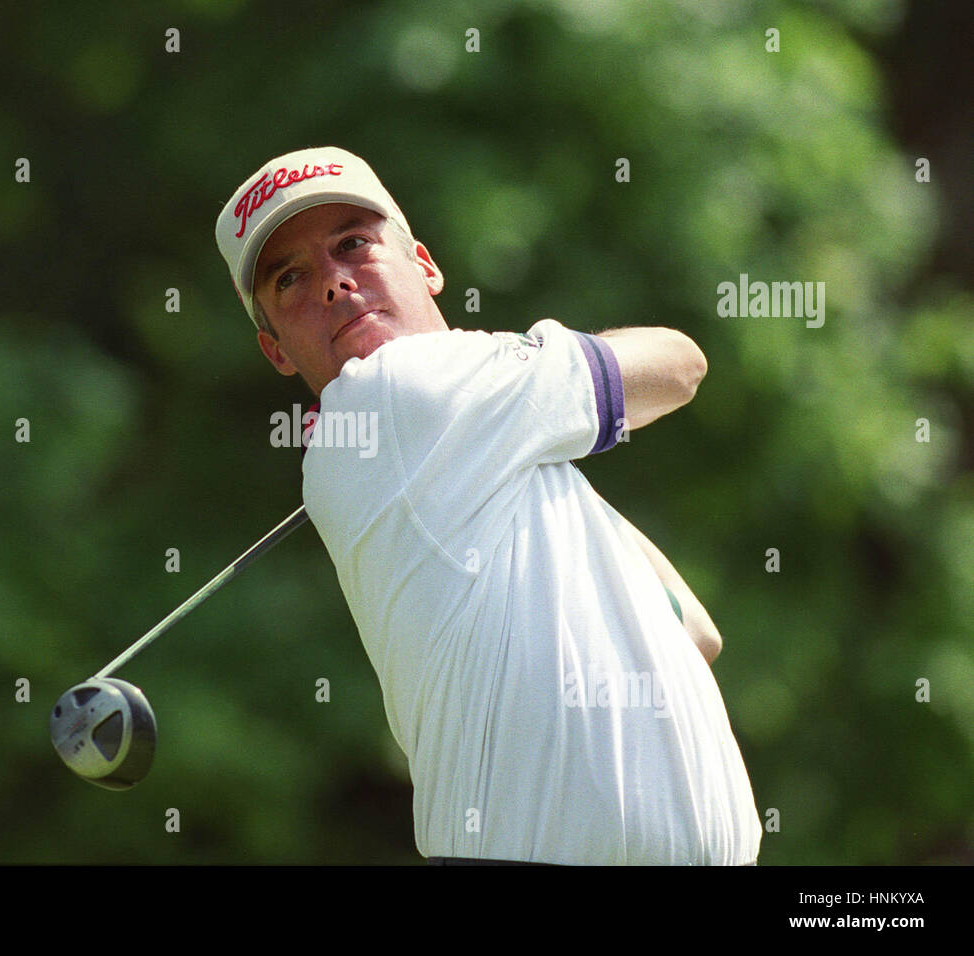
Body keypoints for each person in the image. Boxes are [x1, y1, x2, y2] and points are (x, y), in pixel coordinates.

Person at [215, 146, 761, 865]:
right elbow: (679, 362)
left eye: (353, 244)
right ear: (276, 350)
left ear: (425, 263)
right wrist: (533, 375)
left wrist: (538, 437)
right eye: (291, 278)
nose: (334, 284)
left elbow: (692, 628)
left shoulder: (486, 441)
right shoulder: (397, 392)